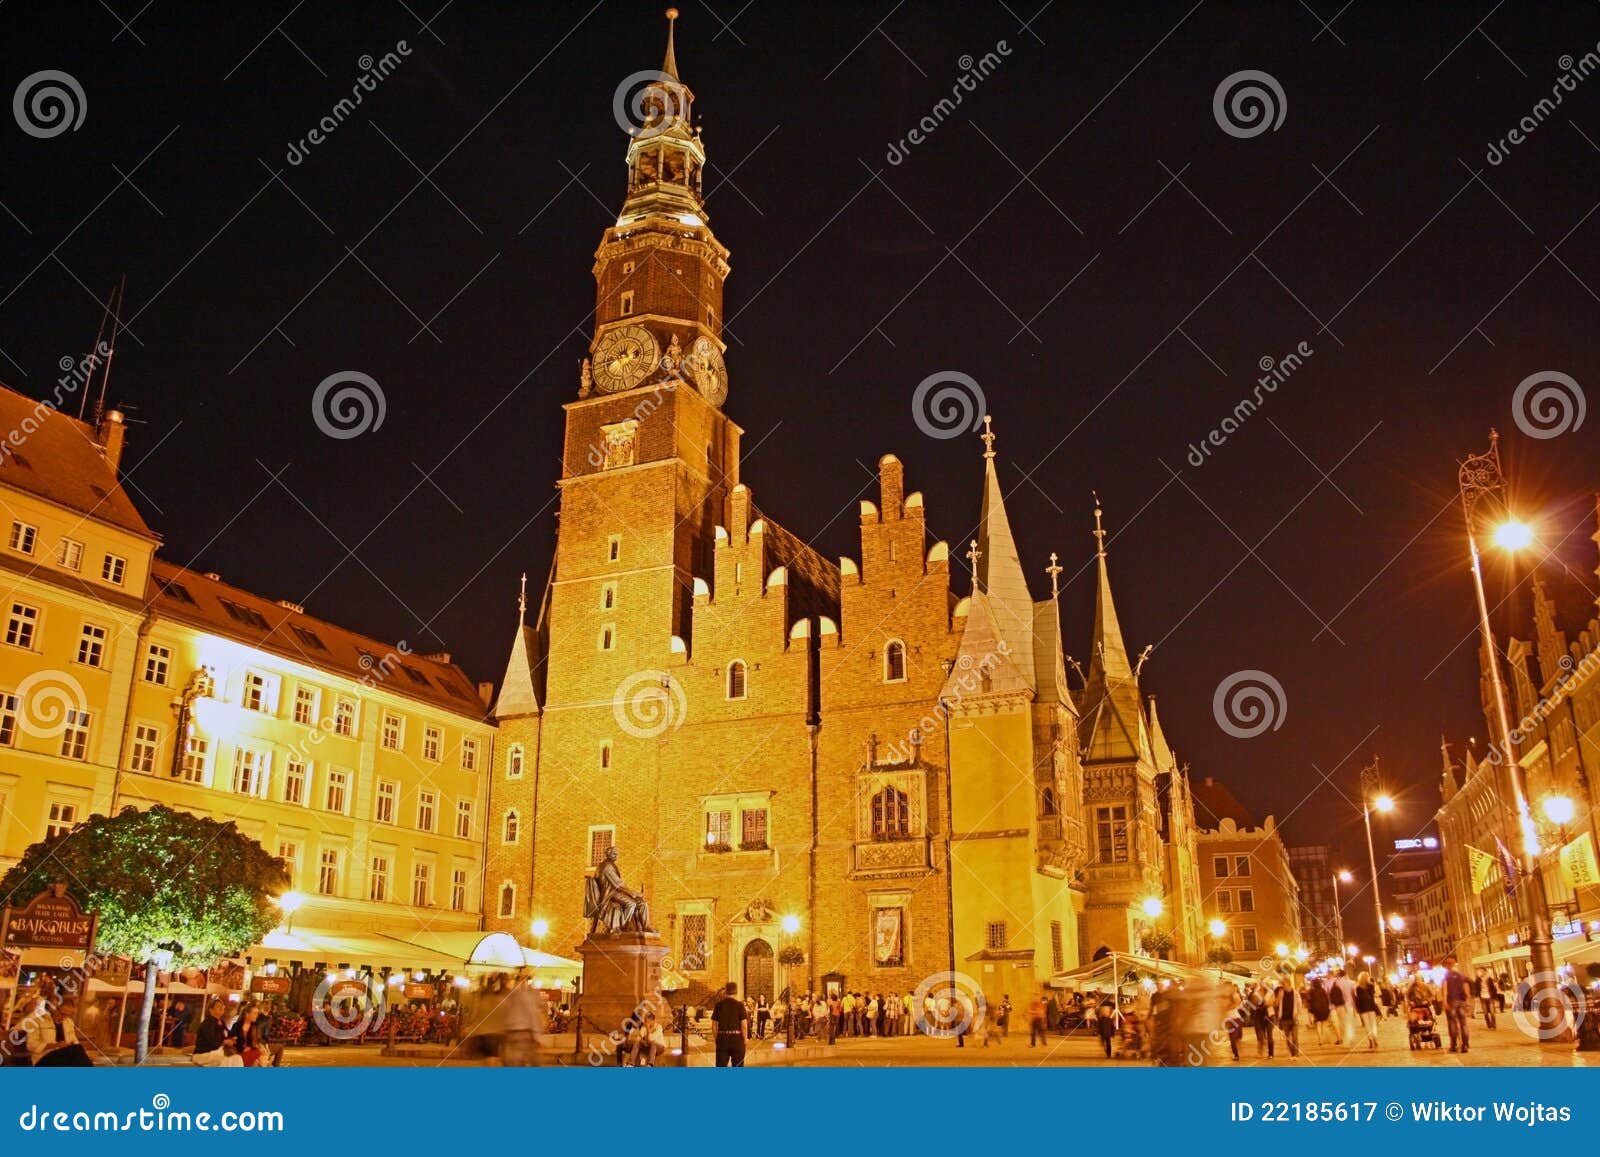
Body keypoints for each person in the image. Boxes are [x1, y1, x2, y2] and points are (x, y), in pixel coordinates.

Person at [192, 999, 244, 1067]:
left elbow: (227, 1035)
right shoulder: (207, 1023)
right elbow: (213, 1041)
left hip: (217, 1053)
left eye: (222, 1006)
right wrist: (225, 1041)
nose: (222, 1008)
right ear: (211, 1010)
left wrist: (233, 1039)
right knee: (223, 1058)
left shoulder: (221, 1022)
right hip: (202, 1054)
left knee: (237, 1058)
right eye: (218, 1006)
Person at [712, 983, 748, 1067]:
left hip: (722, 1038)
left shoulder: (718, 1005)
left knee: (721, 1066)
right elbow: (744, 1024)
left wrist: (717, 1038)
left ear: (726, 991)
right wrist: (745, 1039)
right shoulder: (740, 1005)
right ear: (736, 992)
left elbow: (714, 1025)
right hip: (737, 1038)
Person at [1441, 955, 1471, 1054]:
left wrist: (1444, 1001)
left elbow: (1445, 989)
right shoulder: (1461, 975)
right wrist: (1467, 1001)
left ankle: (1454, 1045)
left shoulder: (1446, 975)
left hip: (1451, 1001)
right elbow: (1466, 989)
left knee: (1452, 1023)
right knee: (1463, 1024)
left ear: (1446, 965)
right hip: (1461, 1002)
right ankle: (1465, 1045)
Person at [1354, 972, 1380, 1050]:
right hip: (1371, 1007)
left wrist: (1358, 1009)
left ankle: (1370, 1040)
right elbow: (1373, 996)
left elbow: (1358, 1000)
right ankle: (1375, 1039)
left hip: (1363, 1009)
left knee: (1367, 1025)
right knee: (1373, 1025)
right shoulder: (1371, 986)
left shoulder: (1358, 988)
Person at [1275, 980, 1299, 1057]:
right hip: (1284, 1019)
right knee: (1287, 1038)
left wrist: (1297, 1013)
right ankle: (1293, 1053)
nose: (1283, 987)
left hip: (1293, 1018)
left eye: (1284, 985)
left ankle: (1295, 1053)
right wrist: (1279, 997)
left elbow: (1299, 1003)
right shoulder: (1281, 993)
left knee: (1295, 1037)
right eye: (1282, 985)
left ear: (1289, 984)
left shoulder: (1295, 993)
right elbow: (1276, 1004)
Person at [1306, 976, 1331, 1044]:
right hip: (1324, 1009)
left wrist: (1310, 1011)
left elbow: (1310, 1001)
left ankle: (1320, 1040)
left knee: (1318, 1025)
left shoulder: (1311, 991)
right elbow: (1327, 999)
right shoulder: (1323, 990)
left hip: (1316, 1010)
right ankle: (1326, 1038)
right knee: (1324, 1024)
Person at [1094, 993, 1117, 1059]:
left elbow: (1111, 1027)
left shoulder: (1107, 1019)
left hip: (1106, 1033)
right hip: (1105, 1033)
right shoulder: (1104, 1019)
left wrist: (1112, 1033)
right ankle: (1108, 1053)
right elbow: (1099, 1026)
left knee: (1106, 1043)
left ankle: (1108, 1054)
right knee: (1105, 1043)